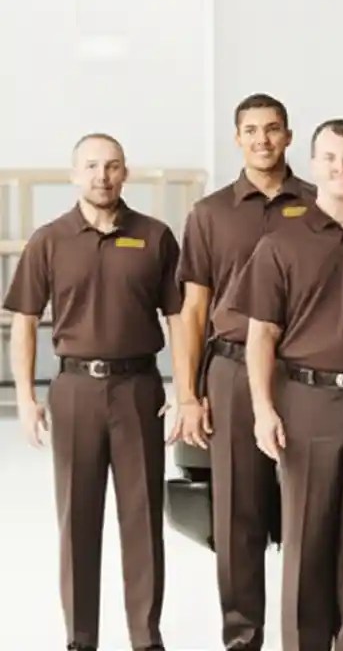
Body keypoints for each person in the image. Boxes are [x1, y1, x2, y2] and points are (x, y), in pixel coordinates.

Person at [4, 133, 186, 651]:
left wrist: (181, 388)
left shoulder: (155, 237)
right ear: (73, 174)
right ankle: (80, 640)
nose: (101, 176)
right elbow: (24, 319)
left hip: (139, 389)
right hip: (76, 389)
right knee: (77, 520)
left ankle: (146, 638)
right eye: (90, 167)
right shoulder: (50, 239)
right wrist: (26, 394)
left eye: (111, 166)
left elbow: (178, 318)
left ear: (125, 172)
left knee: (142, 518)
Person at [230, 119, 343, 651]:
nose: (341, 168)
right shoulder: (281, 243)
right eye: (330, 158)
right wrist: (263, 408)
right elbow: (261, 335)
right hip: (306, 401)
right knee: (306, 538)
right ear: (313, 166)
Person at [174, 92, 313, 650]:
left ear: (288, 135)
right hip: (230, 372)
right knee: (238, 514)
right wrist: (187, 393)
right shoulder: (210, 214)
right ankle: (242, 638)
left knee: (314, 509)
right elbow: (192, 309)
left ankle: (309, 635)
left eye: (272, 129)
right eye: (251, 130)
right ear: (237, 138)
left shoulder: (320, 202)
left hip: (303, 372)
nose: (262, 140)